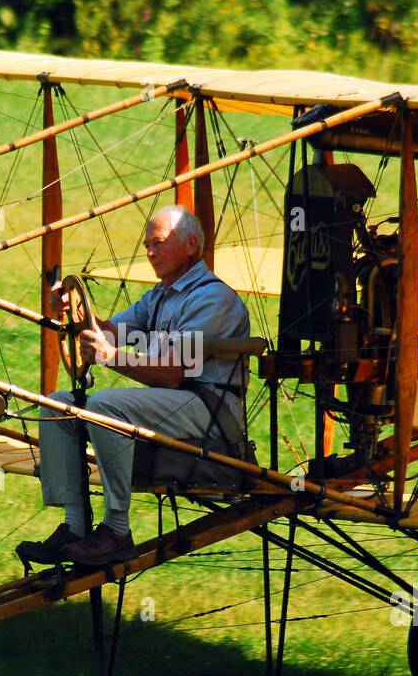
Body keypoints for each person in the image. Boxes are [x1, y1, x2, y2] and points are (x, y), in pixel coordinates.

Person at [18, 205, 250, 567]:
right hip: (175, 404)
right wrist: (72, 309)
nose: (150, 253)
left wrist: (109, 356)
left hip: (210, 411)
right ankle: (76, 527)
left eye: (158, 244)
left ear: (191, 245)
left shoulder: (213, 299)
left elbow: (173, 372)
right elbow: (109, 332)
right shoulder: (160, 296)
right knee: (57, 404)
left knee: (105, 406)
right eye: (147, 245)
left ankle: (116, 530)